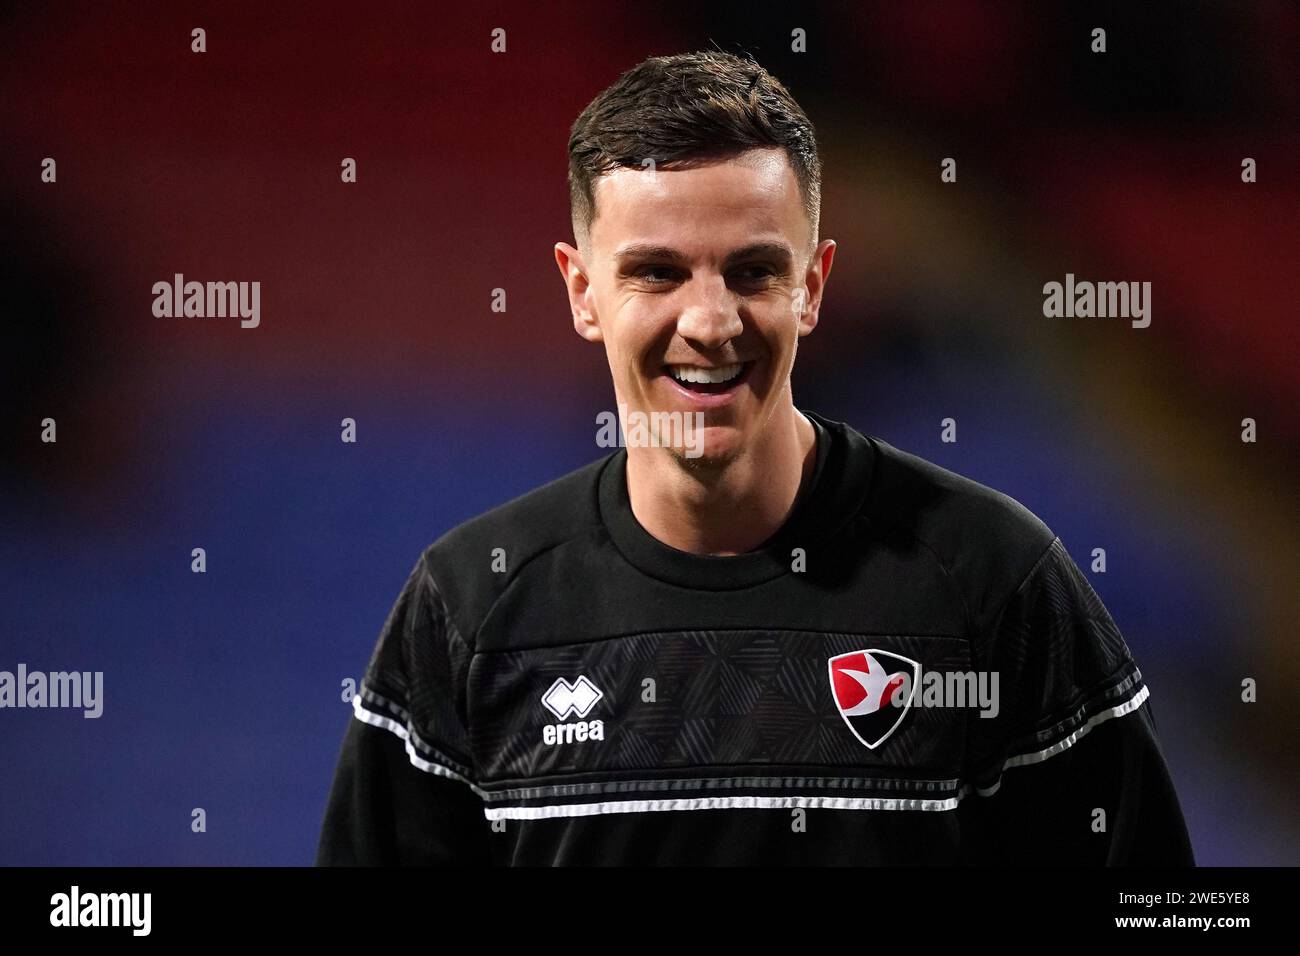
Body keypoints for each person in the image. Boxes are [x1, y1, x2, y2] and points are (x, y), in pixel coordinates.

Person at [316, 50, 1194, 866]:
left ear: (812, 287)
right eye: (656, 273)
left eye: (752, 272)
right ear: (582, 291)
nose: (709, 322)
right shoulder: (472, 608)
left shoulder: (992, 581)